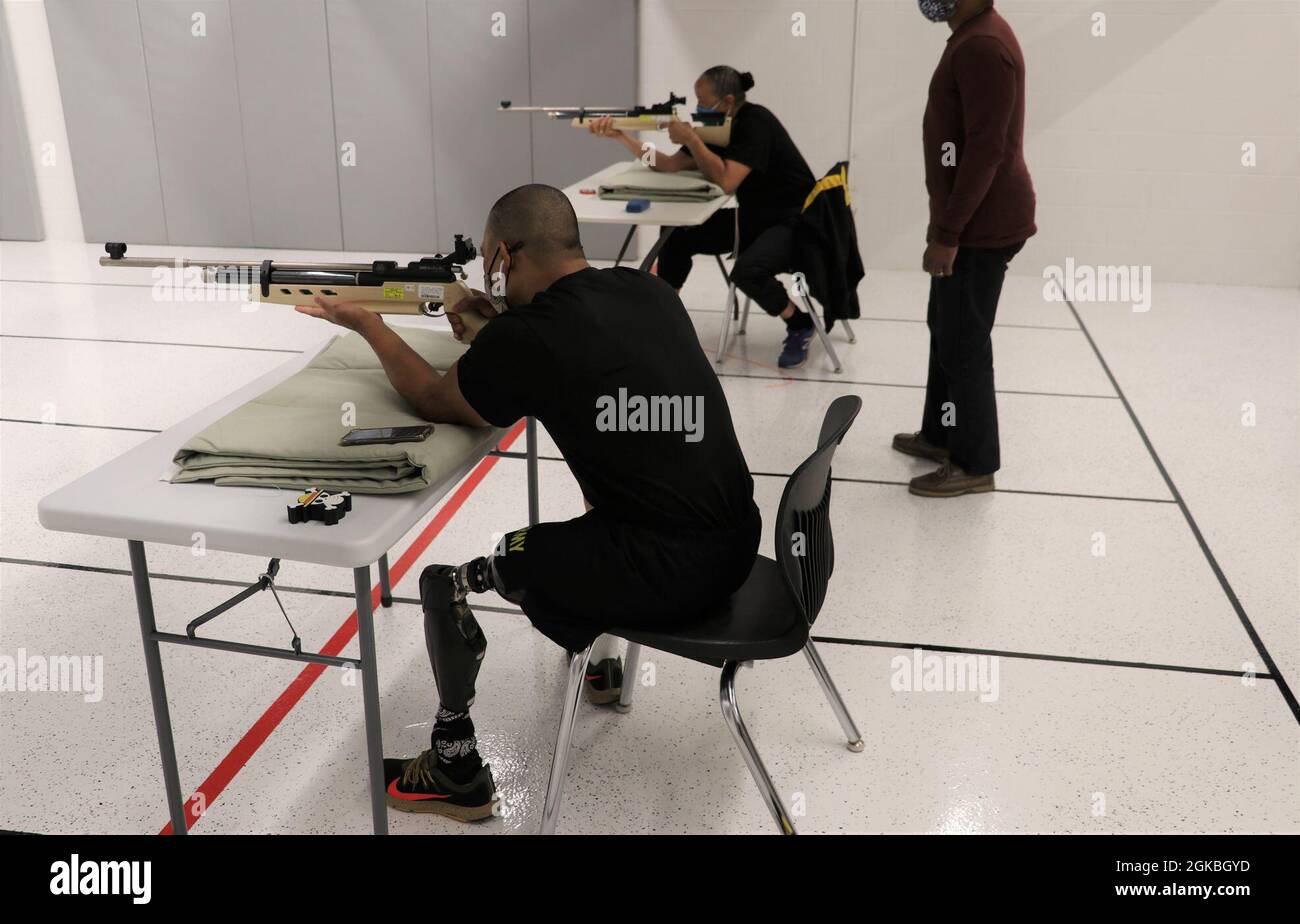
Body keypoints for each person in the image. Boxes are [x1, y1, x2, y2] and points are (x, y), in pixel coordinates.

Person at [296, 184, 761, 821]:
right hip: (737, 543)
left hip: (670, 570)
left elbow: (435, 399)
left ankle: (455, 772)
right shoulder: (647, 289)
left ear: (506, 256)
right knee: (586, 529)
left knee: (451, 579)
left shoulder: (531, 338)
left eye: (491, 261)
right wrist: (501, 329)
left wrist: (370, 325)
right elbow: (578, 347)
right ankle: (600, 669)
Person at [895, 0, 1036, 497]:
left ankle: (976, 463)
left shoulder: (982, 44)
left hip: (982, 225)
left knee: (963, 343)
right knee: (945, 329)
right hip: (971, 218)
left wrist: (948, 234)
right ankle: (940, 433)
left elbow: (986, 149)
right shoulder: (973, 34)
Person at [588, 66, 820, 369]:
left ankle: (800, 322)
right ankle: (665, 317)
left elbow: (726, 182)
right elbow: (668, 165)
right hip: (756, 218)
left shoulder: (755, 123)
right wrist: (622, 138)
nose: (696, 106)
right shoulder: (717, 124)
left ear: (726, 100)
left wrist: (692, 139)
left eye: (701, 99)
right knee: (678, 232)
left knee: (748, 272)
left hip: (795, 222)